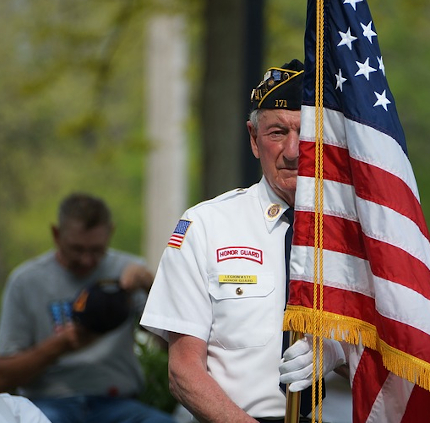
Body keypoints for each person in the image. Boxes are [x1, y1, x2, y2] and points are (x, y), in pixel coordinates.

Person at [140, 60, 351, 423]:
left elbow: (403, 361)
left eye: (306, 133)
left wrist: (341, 353)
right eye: (276, 133)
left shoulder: (362, 236)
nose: (292, 150)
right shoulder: (206, 226)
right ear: (253, 139)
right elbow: (183, 371)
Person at [0, 193, 174, 423]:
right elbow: (5, 377)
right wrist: (62, 345)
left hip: (118, 403)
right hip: (48, 404)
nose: (87, 260)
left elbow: (170, 345)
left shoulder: (129, 270)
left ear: (110, 233)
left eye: (96, 250)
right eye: (77, 249)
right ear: (56, 234)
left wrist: (151, 287)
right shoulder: (25, 281)